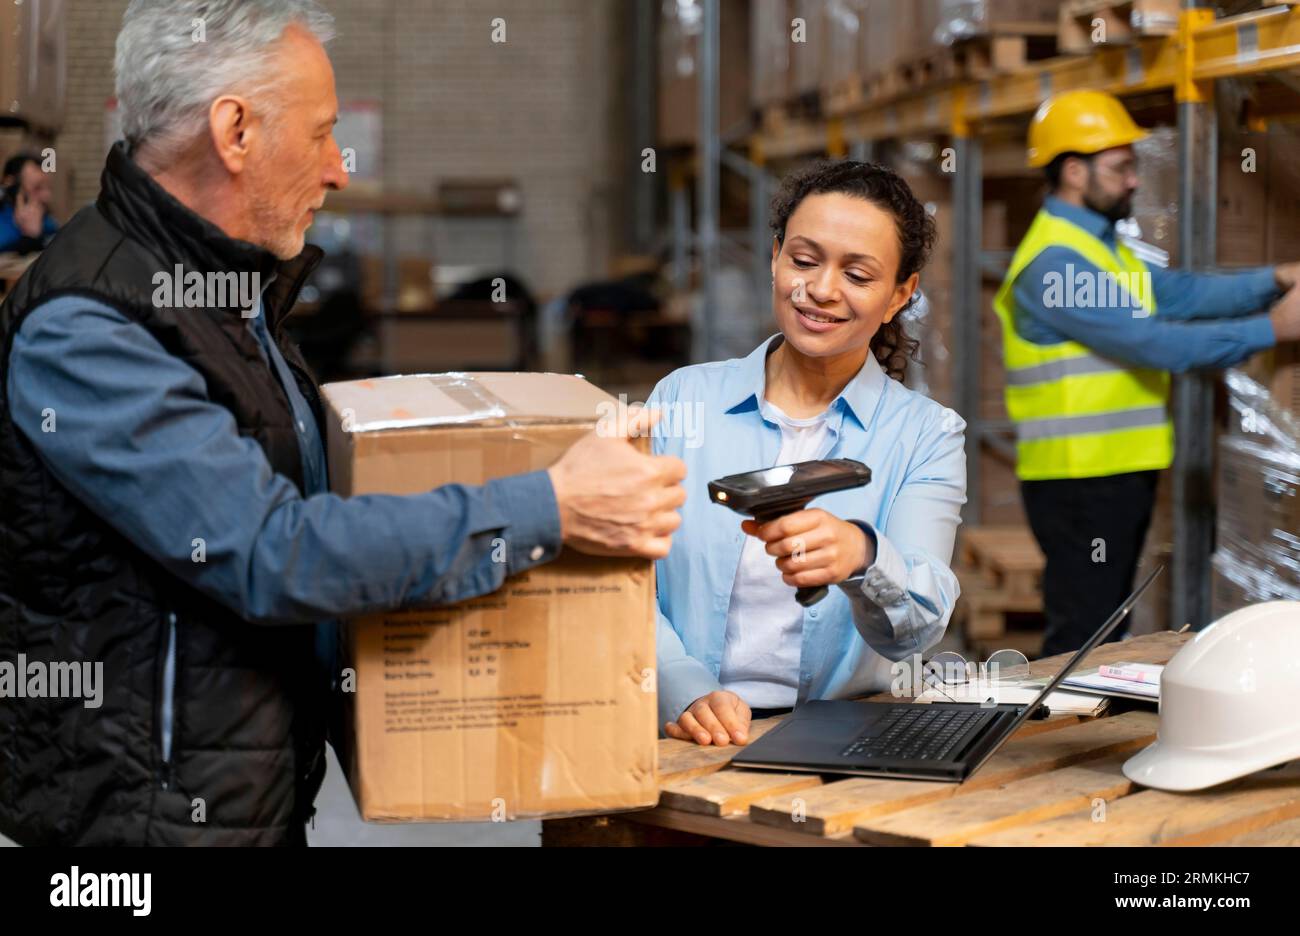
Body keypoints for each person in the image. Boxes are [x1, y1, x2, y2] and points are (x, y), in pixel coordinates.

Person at [0, 0, 685, 846]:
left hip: (244, 800)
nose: (340, 169)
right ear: (235, 130)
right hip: (145, 829)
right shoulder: (89, 324)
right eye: (322, 133)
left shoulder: (228, 293)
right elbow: (269, 550)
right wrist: (550, 507)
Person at [650, 160, 966, 746]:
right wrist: (682, 684)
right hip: (680, 734)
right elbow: (628, 581)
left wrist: (864, 557)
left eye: (858, 274)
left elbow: (918, 631)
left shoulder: (928, 435)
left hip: (842, 744)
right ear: (774, 258)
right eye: (803, 259)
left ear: (901, 294)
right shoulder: (681, 399)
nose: (820, 289)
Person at [998, 89, 1300, 656]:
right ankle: (1063, 741)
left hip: (1110, 474)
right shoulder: (1057, 263)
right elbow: (1156, 344)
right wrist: (1273, 329)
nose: (1134, 181)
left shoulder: (1098, 248)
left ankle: (1086, 737)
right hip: (1080, 480)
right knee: (1085, 636)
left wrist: (1272, 279)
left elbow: (1175, 294)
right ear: (1072, 171)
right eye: (1120, 168)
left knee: (1103, 627)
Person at [0, 152, 59, 253]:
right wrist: (29, 238)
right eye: (37, 188)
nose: (47, 197)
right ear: (11, 185)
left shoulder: (49, 224)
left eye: (48, 188)